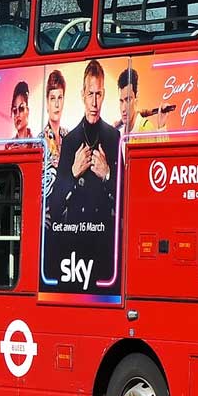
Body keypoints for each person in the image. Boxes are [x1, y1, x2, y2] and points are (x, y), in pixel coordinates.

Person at [47, 59, 121, 290]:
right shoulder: (69, 142)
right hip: (74, 243)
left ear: (104, 94)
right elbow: (55, 205)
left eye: (99, 94)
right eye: (90, 94)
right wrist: (71, 173)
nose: (94, 102)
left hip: (105, 244)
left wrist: (108, 174)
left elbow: (126, 199)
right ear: (82, 95)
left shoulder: (113, 137)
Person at [41, 69, 67, 202]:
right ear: (47, 103)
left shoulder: (68, 137)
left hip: (69, 218)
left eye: (60, 98)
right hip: (48, 217)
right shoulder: (40, 142)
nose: (56, 104)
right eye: (52, 98)